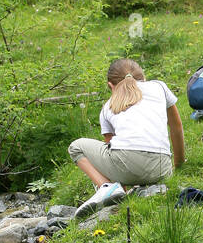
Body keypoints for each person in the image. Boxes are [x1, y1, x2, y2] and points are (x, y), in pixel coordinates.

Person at [69, 58, 185, 217]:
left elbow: (111, 149)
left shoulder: (107, 107)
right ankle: (116, 189)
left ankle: (108, 188)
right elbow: (176, 127)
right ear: (143, 78)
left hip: (126, 169)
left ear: (111, 86)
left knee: (76, 147)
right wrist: (178, 165)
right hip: (162, 170)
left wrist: (123, 188)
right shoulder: (159, 86)